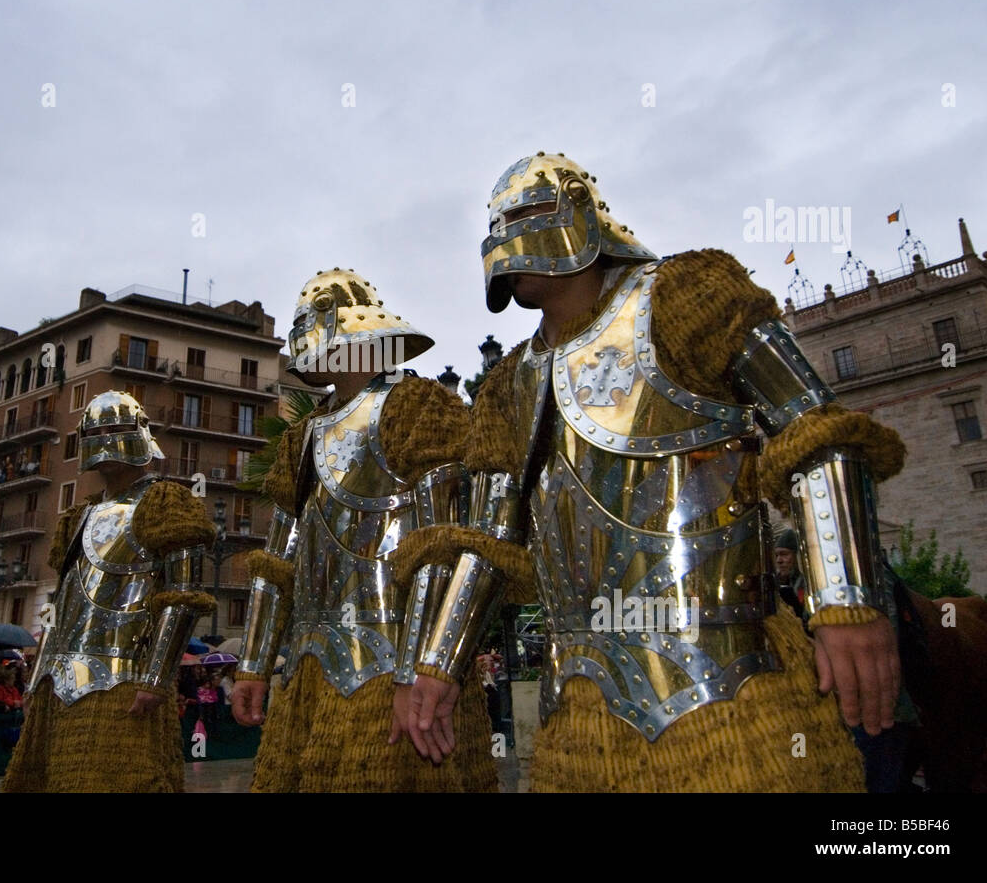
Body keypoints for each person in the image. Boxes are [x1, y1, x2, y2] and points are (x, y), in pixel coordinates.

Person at [393, 152, 906, 792]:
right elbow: (489, 545)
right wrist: (438, 666)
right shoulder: (507, 386)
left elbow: (818, 433)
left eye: (523, 215)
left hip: (723, 678)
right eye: (496, 221)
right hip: (577, 710)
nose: (504, 236)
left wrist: (846, 601)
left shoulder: (683, 300)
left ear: (579, 216)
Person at [232, 269, 499, 792]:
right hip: (306, 673)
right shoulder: (303, 438)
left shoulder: (415, 407)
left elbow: (440, 552)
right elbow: (276, 562)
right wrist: (253, 665)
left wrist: (413, 675)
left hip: (393, 658)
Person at [2, 390, 215, 792]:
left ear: (140, 434)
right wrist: (34, 683)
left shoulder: (166, 501)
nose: (105, 438)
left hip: (124, 674)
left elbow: (184, 599)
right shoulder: (78, 515)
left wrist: (154, 679)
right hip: (57, 679)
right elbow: (63, 602)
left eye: (116, 428)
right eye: (95, 430)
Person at [774, 528, 807, 621]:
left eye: (784, 554)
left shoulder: (805, 583)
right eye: (776, 555)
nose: (779, 560)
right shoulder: (786, 580)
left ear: (797, 556)